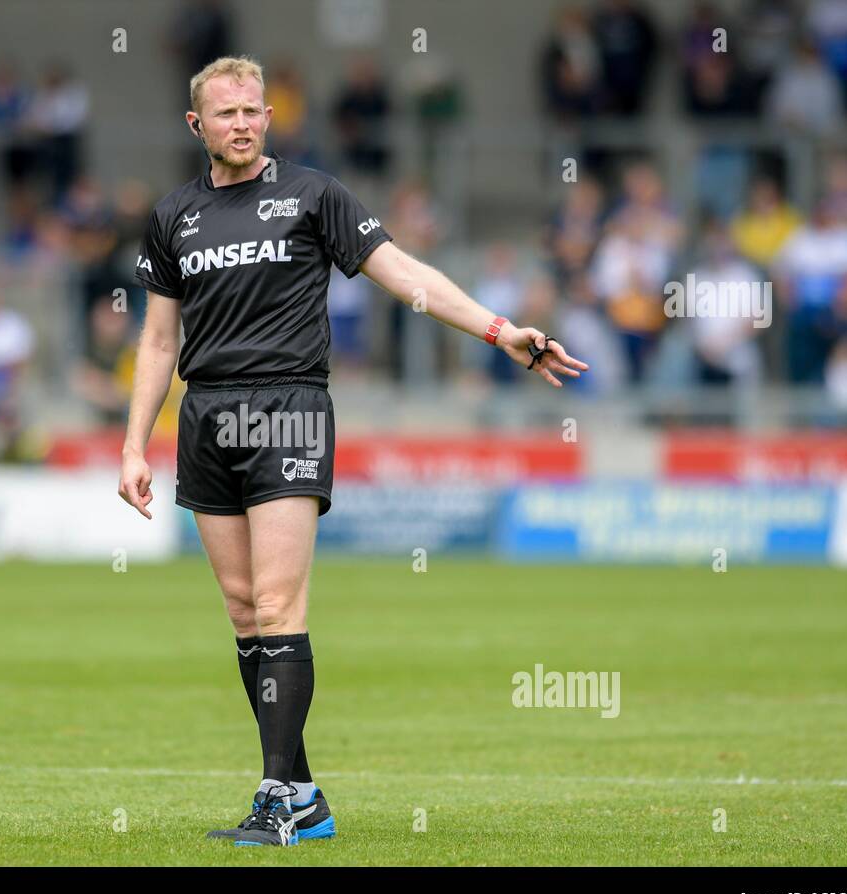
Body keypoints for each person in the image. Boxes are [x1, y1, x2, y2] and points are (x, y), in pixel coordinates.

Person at [117, 56, 588, 848]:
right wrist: (134, 443)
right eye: (225, 113)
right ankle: (303, 792)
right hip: (206, 418)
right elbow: (160, 338)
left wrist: (501, 331)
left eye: (253, 111)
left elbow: (405, 276)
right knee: (242, 614)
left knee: (277, 605)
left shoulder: (313, 195)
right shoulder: (174, 216)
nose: (242, 122)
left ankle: (275, 796)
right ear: (197, 125)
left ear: (268, 118)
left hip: (290, 408)